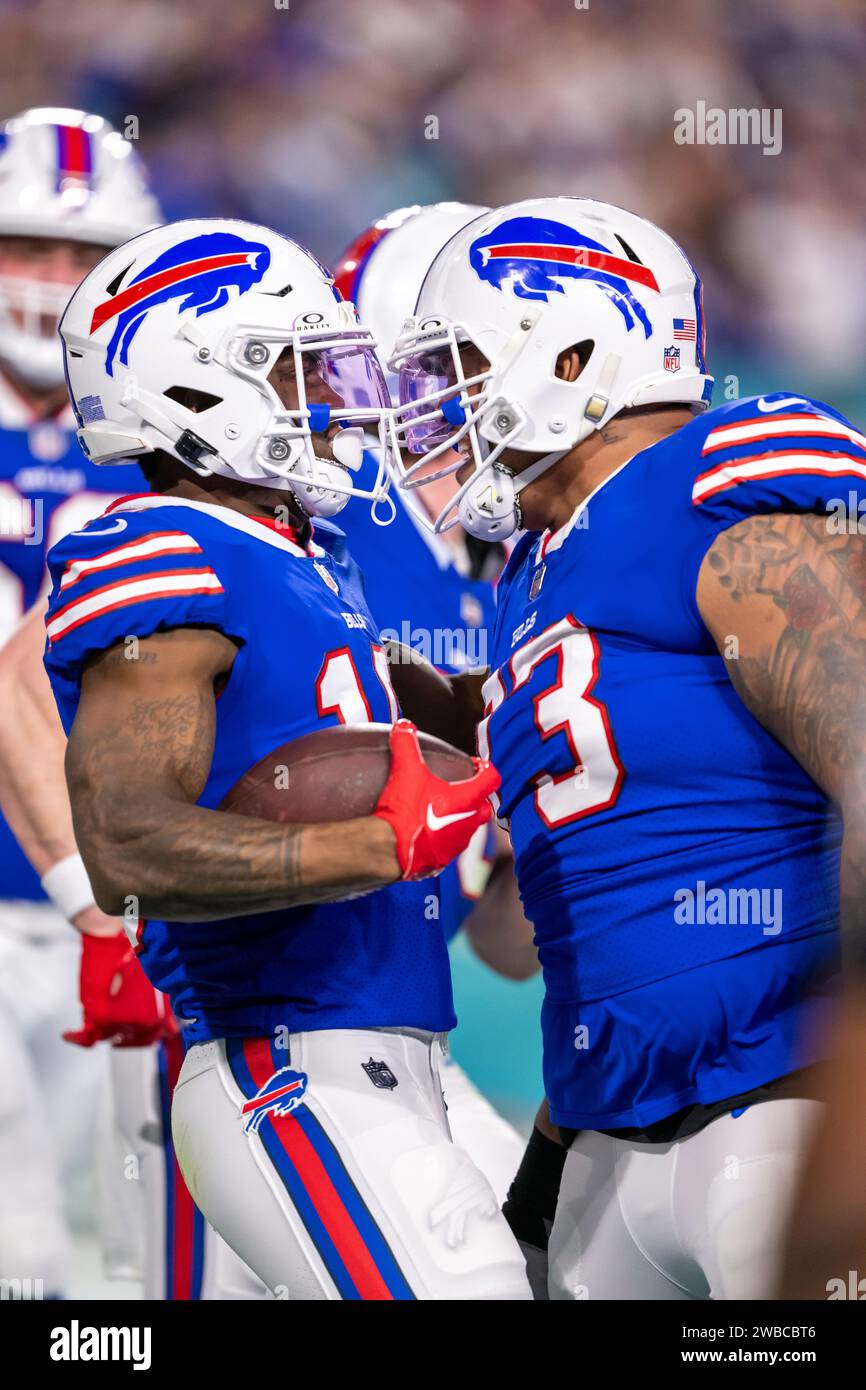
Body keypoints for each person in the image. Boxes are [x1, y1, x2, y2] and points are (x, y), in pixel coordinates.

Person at [41, 215, 532, 1301]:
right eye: (301, 369)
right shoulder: (158, 544)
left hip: (399, 1053)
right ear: (202, 389)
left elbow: (422, 699)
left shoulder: (300, 560)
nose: (337, 398)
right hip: (283, 1056)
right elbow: (125, 842)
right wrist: (375, 838)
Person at [384, 195, 866, 1300]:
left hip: (780, 1105)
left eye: (463, 363)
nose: (443, 404)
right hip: (606, 1142)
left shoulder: (714, 485)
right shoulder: (531, 575)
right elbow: (614, 907)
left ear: (572, 351)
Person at [333, 203, 538, 1207]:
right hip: (290, 1014)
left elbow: (503, 949)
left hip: (411, 1021)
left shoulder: (508, 566)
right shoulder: (334, 503)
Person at [0, 105, 161, 1296]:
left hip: (136, 908)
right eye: (27, 247)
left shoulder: (168, 433)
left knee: (131, 1260)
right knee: (21, 1258)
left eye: (80, 256)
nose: (53, 282)